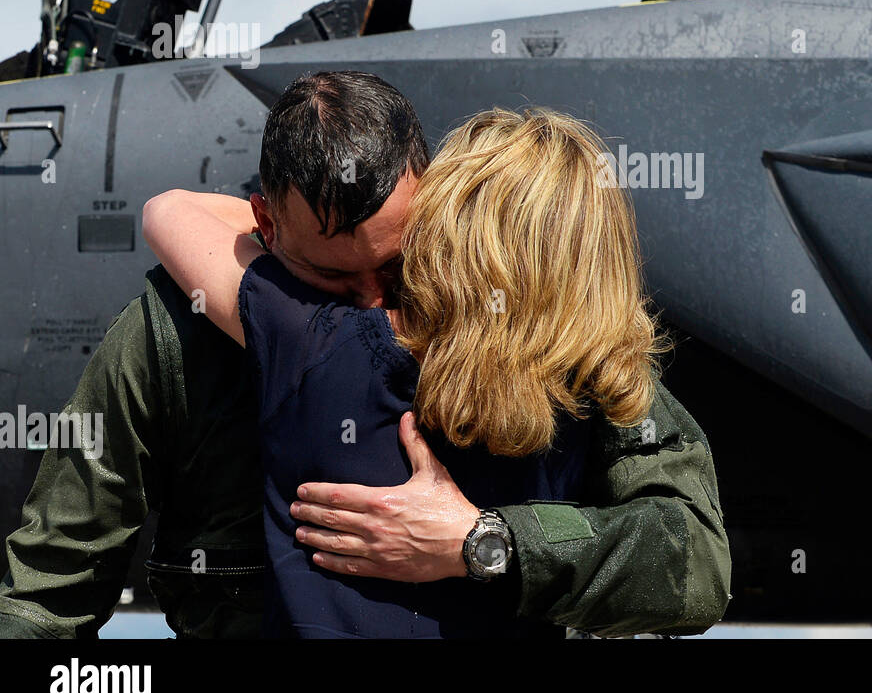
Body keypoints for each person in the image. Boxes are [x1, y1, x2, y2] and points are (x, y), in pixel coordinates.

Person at [0, 71, 730, 639]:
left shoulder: (557, 343)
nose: (375, 303)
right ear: (265, 227)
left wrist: (487, 542)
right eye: (331, 278)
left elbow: (690, 554)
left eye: (402, 265)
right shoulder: (182, 331)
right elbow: (50, 590)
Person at [141, 106, 668, 638]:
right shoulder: (602, 394)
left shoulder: (322, 341)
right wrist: (486, 541)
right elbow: (686, 562)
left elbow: (169, 210)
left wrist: (286, 224)